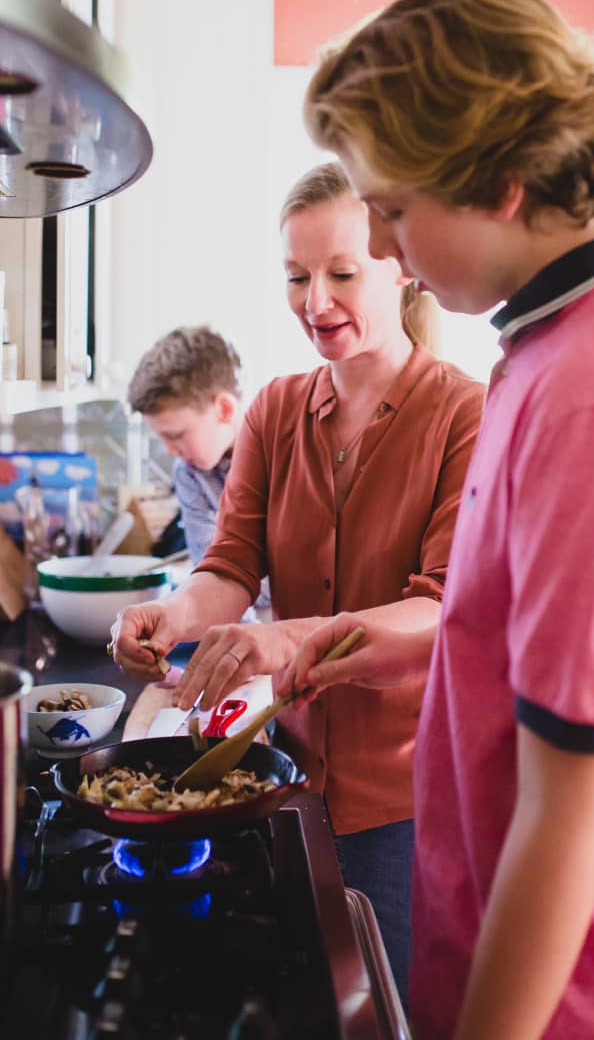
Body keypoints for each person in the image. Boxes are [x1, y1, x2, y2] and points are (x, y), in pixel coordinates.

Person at [276, 0, 594, 1040]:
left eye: (392, 210)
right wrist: (361, 648)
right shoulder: (549, 346)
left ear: (504, 185)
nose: (385, 250)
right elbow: (518, 640)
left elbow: (570, 812)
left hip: (580, 999)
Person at [110, 160, 486, 1003]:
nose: (315, 300)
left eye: (342, 272)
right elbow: (229, 570)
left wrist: (282, 637)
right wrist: (168, 617)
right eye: (296, 275)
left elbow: (441, 605)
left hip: (407, 798)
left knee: (386, 1006)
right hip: (279, 771)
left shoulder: (466, 412)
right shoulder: (277, 410)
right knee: (298, 1002)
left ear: (402, 265)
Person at [128, 325, 246, 566]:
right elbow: (207, 566)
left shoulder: (288, 458)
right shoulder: (190, 474)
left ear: (224, 409)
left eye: (176, 435)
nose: (170, 450)